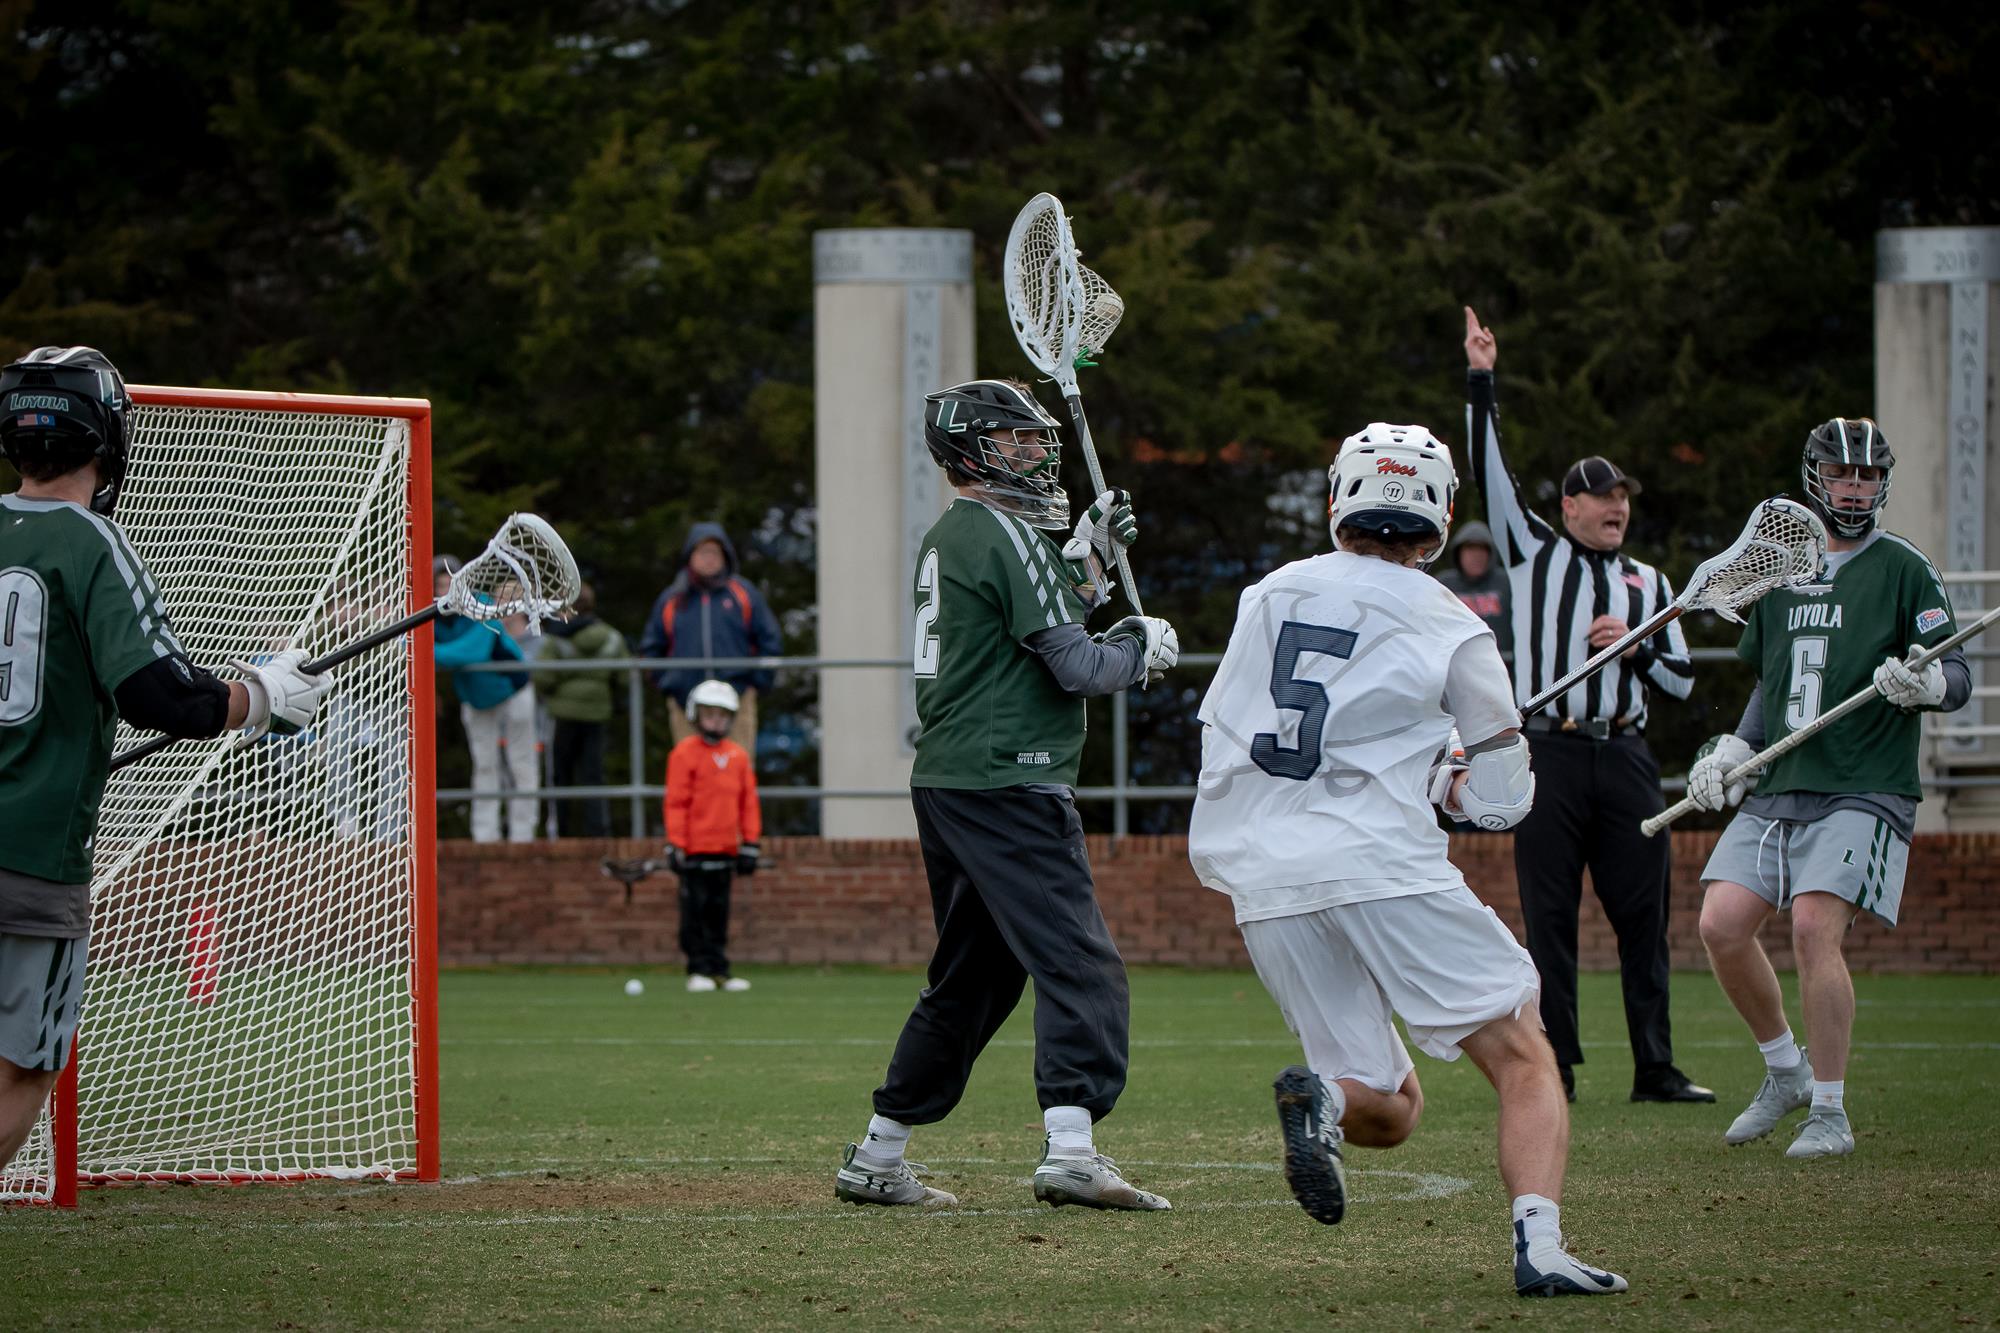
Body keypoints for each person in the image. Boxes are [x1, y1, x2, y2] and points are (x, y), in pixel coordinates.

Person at [1190, 421, 1626, 1298]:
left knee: (1387, 1108)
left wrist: (1428, 764)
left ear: (1336, 501)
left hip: (1266, 874)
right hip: (1383, 863)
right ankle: (1540, 1246)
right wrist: (1455, 777)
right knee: (1523, 1053)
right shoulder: (1451, 621)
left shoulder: (1266, 595)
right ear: (1442, 514)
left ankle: (1320, 1097)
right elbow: (1504, 800)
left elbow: (1235, 731)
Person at [833, 378, 1178, 1212]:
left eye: (1035, 441)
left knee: (974, 978)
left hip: (953, 778)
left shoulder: (959, 534)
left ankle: (879, 1154)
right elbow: (1076, 664)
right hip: (1009, 777)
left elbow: (1028, 628)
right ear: (971, 451)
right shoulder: (1003, 531)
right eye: (1015, 441)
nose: (1034, 453)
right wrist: (1142, 648)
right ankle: (1071, 1147)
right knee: (1078, 962)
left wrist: (1089, 562)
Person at [0, 346, 332, 1174]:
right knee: (22, 1066)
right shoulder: (88, 545)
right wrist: (262, 699)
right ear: (106, 435)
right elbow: (167, 697)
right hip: (32, 855)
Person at [1688, 418, 1970, 1160]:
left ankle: (1831, 1112)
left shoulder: (1905, 568)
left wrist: (1925, 682)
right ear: (1816, 477)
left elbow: (1960, 678)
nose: (1854, 488)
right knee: (1720, 922)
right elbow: (1770, 684)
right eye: (1842, 475)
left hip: (1864, 783)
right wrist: (1736, 749)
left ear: (1882, 483)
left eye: (1867, 477)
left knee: (1814, 926)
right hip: (1784, 780)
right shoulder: (1782, 573)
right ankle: (1785, 1071)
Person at [1462, 306, 1709, 1106]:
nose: (1616, 508)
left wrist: (1635, 646)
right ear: (1568, 508)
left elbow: (1681, 685)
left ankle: (1656, 1066)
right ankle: (1557, 1065)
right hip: (1552, 753)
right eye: (1601, 498)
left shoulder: (1652, 584)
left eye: (1622, 499)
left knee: (1645, 915)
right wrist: (1481, 380)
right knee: (1551, 919)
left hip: (1628, 752)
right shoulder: (1534, 554)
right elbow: (1490, 470)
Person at [639, 524, 782, 757]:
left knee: (736, 771)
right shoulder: (673, 599)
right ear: (690, 556)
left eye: (714, 552)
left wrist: (753, 683)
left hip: (737, 701)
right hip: (685, 703)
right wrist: (670, 684)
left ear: (725, 556)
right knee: (691, 775)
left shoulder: (743, 593)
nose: (709, 559)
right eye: (702, 552)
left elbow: (769, 639)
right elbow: (652, 646)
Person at [432, 555, 539, 843]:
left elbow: (469, 653)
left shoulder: (483, 607)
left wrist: (418, 649)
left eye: (450, 583)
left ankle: (522, 835)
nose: (445, 590)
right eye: (439, 584)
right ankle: (484, 835)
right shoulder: (433, 617)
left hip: (512, 691)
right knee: (484, 764)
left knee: (520, 763)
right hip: (476, 699)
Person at [664, 679, 761, 992]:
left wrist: (751, 843)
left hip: (725, 849)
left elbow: (748, 803)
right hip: (694, 849)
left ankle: (720, 968)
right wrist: (676, 844)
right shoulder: (684, 754)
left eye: (722, 714)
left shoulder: (738, 756)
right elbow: (676, 802)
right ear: (696, 715)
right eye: (709, 714)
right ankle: (698, 968)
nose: (716, 720)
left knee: (720, 912)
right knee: (695, 911)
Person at [534, 581, 627, 837]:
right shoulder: (611, 637)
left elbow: (542, 678)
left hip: (562, 716)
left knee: (560, 776)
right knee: (594, 775)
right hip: (597, 714)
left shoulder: (555, 640)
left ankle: (561, 832)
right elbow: (624, 678)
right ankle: (598, 831)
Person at [1435, 519, 1512, 657]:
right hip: (1456, 664)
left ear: (1490, 554)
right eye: (1470, 549)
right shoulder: (1443, 585)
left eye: (1481, 550)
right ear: (1459, 553)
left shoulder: (1507, 583)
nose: (1476, 556)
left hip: (1504, 663)